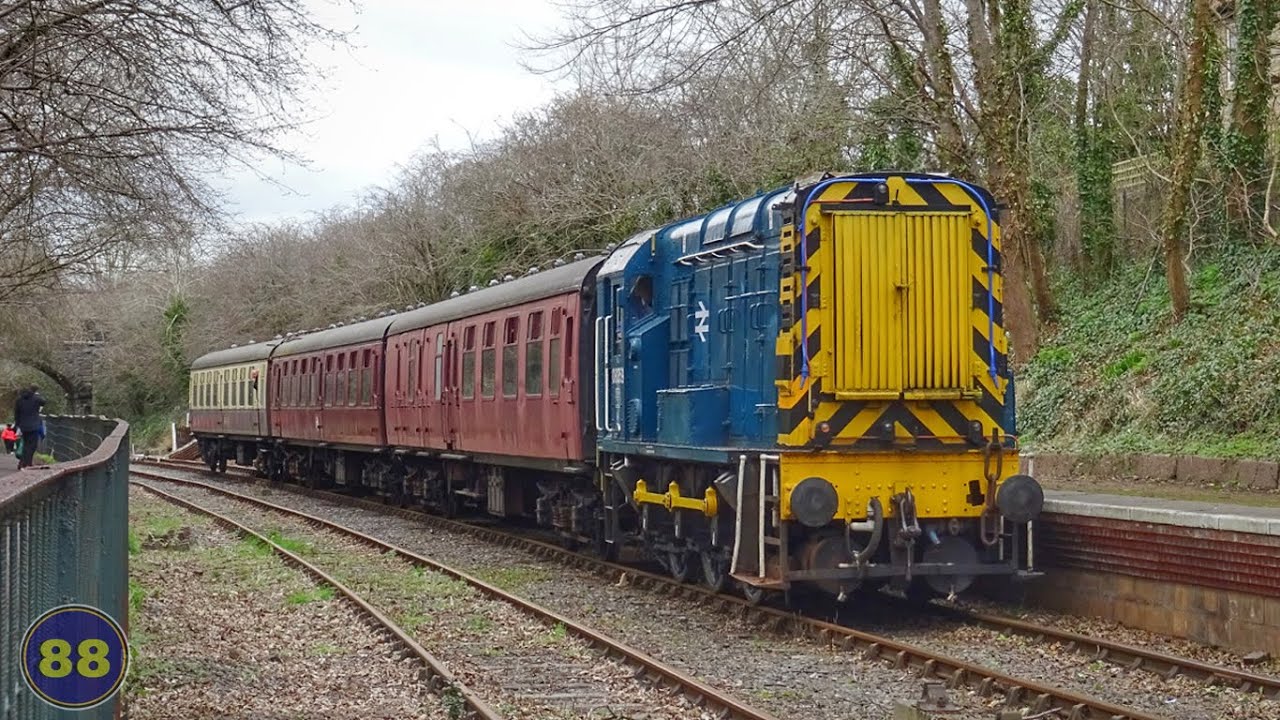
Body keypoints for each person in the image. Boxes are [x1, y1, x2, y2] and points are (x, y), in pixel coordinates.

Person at [13, 385, 46, 468]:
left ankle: (23, 462)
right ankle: (27, 463)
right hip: (34, 425)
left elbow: (16, 413)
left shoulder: (19, 400)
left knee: (26, 444)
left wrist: (17, 425)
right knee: (32, 445)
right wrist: (37, 395)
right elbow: (44, 402)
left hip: (23, 425)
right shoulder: (36, 398)